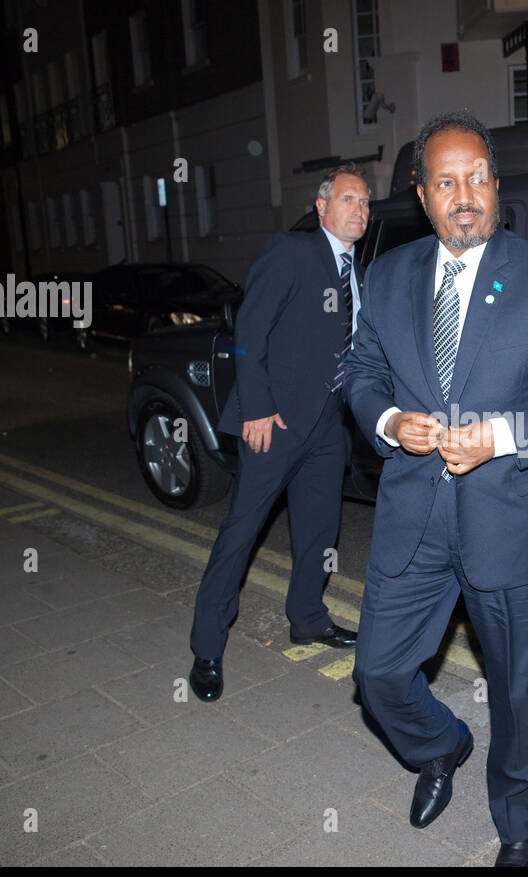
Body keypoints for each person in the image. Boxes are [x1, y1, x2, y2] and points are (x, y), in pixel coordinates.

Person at [345, 111, 528, 866]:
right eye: (445, 181)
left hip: (509, 515)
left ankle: (519, 823)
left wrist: (503, 436)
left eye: (476, 178)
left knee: (518, 689)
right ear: (421, 193)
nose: (463, 194)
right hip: (414, 512)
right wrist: (388, 419)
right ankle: (441, 745)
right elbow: (362, 373)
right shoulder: (388, 275)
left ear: (496, 186)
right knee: (376, 672)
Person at [187, 163, 370, 702]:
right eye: (348, 200)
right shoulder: (292, 252)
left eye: (364, 202)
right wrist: (257, 409)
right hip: (275, 424)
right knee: (241, 531)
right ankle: (206, 648)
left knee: (319, 532)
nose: (358, 210)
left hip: (326, 429)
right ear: (322, 207)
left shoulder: (356, 270)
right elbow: (250, 329)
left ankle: (308, 618)